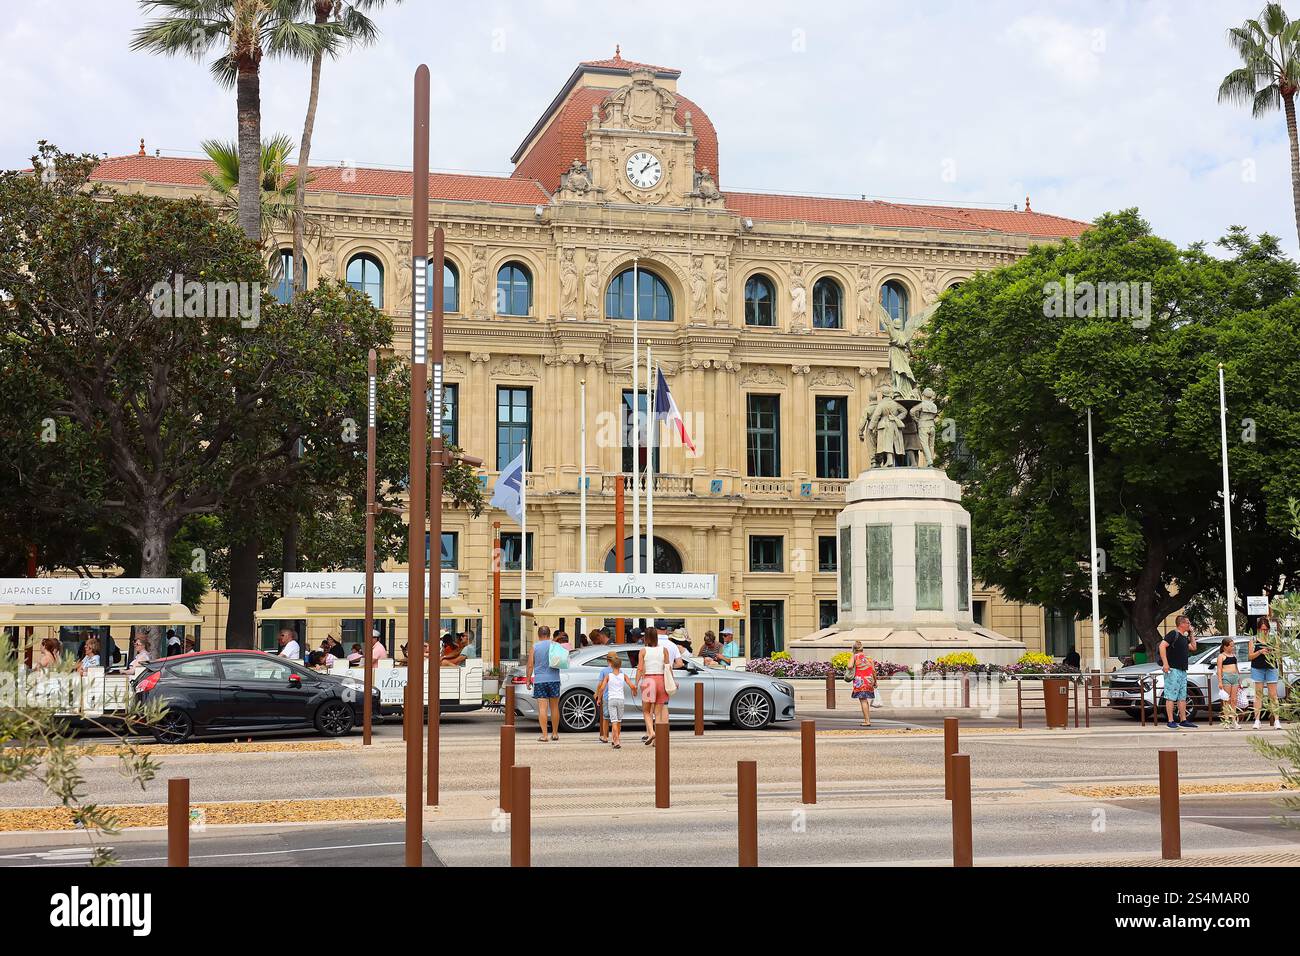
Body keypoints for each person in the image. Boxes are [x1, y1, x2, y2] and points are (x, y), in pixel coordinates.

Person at [1159, 615, 1198, 729]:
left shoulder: (1183, 637)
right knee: (1171, 695)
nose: (1189, 625)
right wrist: (1165, 663)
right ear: (1182, 624)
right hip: (1173, 669)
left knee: (1182, 696)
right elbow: (1162, 646)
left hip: (1182, 670)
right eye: (1188, 623)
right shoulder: (1173, 634)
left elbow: (1194, 647)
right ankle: (1170, 720)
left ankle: (1183, 719)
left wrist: (1191, 634)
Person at [634, 627, 672, 746]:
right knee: (659, 713)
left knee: (646, 711)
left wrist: (636, 683)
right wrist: (672, 681)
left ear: (645, 637)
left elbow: (640, 669)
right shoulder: (664, 650)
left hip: (648, 680)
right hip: (661, 680)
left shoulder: (643, 651)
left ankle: (651, 732)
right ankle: (657, 740)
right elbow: (668, 667)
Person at [526, 625, 563, 742]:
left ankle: (544, 735)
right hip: (554, 679)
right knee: (554, 708)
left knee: (542, 708)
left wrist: (528, 679)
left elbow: (530, 664)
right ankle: (555, 733)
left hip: (540, 680)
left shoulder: (534, 647)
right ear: (549, 634)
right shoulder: (556, 645)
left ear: (538, 634)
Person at [594, 652, 636, 749]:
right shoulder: (623, 675)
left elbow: (601, 688)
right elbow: (632, 686)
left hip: (611, 699)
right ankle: (616, 739)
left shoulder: (608, 675)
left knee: (612, 720)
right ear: (620, 665)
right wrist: (634, 691)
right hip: (620, 700)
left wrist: (599, 698)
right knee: (619, 721)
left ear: (611, 664)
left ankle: (613, 739)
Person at [1248, 618, 1284, 730]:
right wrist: (1260, 651)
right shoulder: (1253, 639)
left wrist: (1272, 651)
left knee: (1273, 695)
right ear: (1258, 629)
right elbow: (1250, 656)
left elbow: (1279, 654)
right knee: (1258, 695)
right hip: (1257, 668)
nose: (1264, 631)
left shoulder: (1274, 639)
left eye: (1266, 629)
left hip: (1271, 667)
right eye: (1262, 629)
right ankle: (1257, 720)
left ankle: (1277, 720)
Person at [1215, 637, 1243, 728]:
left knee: (1234, 700)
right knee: (1226, 700)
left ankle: (1234, 720)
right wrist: (1220, 682)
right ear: (1225, 647)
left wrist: (1239, 679)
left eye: (1233, 646)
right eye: (1231, 646)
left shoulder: (1234, 655)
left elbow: (1236, 667)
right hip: (1226, 677)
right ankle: (1226, 720)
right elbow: (1219, 669)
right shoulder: (1221, 656)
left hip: (1235, 677)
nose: (1233, 648)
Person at [849, 640, 877, 727]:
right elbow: (874, 671)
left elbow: (849, 666)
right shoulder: (868, 658)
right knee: (865, 700)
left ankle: (867, 721)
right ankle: (867, 719)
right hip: (869, 681)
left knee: (863, 700)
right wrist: (875, 682)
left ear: (854, 649)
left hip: (860, 681)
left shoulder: (855, 656)